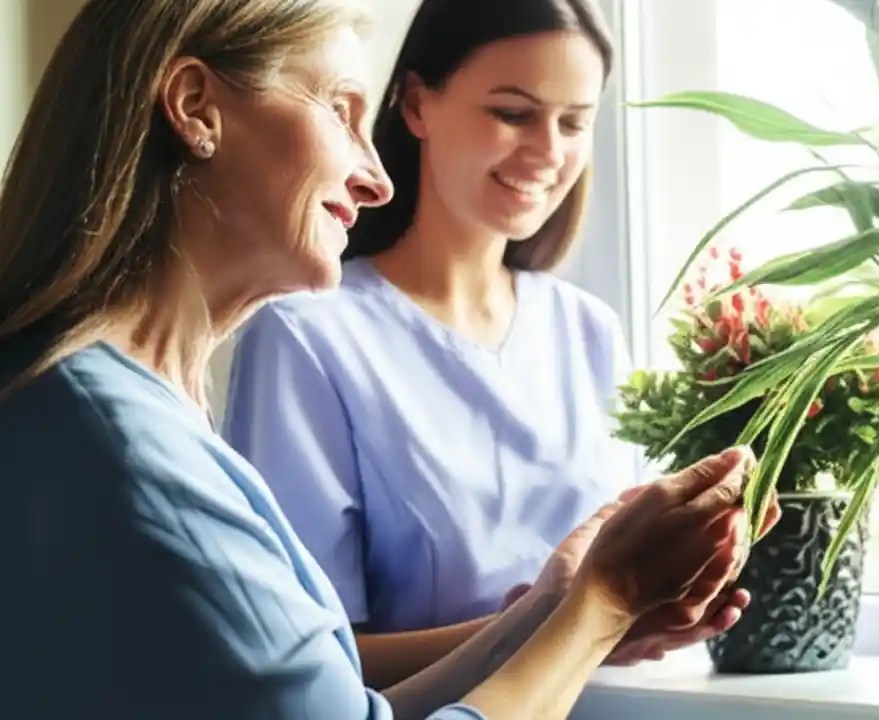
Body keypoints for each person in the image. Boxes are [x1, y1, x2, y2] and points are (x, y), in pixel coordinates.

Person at [0, 2, 779, 719]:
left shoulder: (121, 415)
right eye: (341, 112)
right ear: (197, 108)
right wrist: (602, 602)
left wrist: (565, 602)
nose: (375, 178)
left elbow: (337, 699)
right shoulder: (125, 448)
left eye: (574, 122)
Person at [220, 0, 744, 689]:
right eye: (513, 113)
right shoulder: (306, 335)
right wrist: (572, 620)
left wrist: (635, 612)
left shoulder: (588, 332)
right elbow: (303, 668)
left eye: (574, 122)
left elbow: (600, 591)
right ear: (416, 104)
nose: (548, 152)